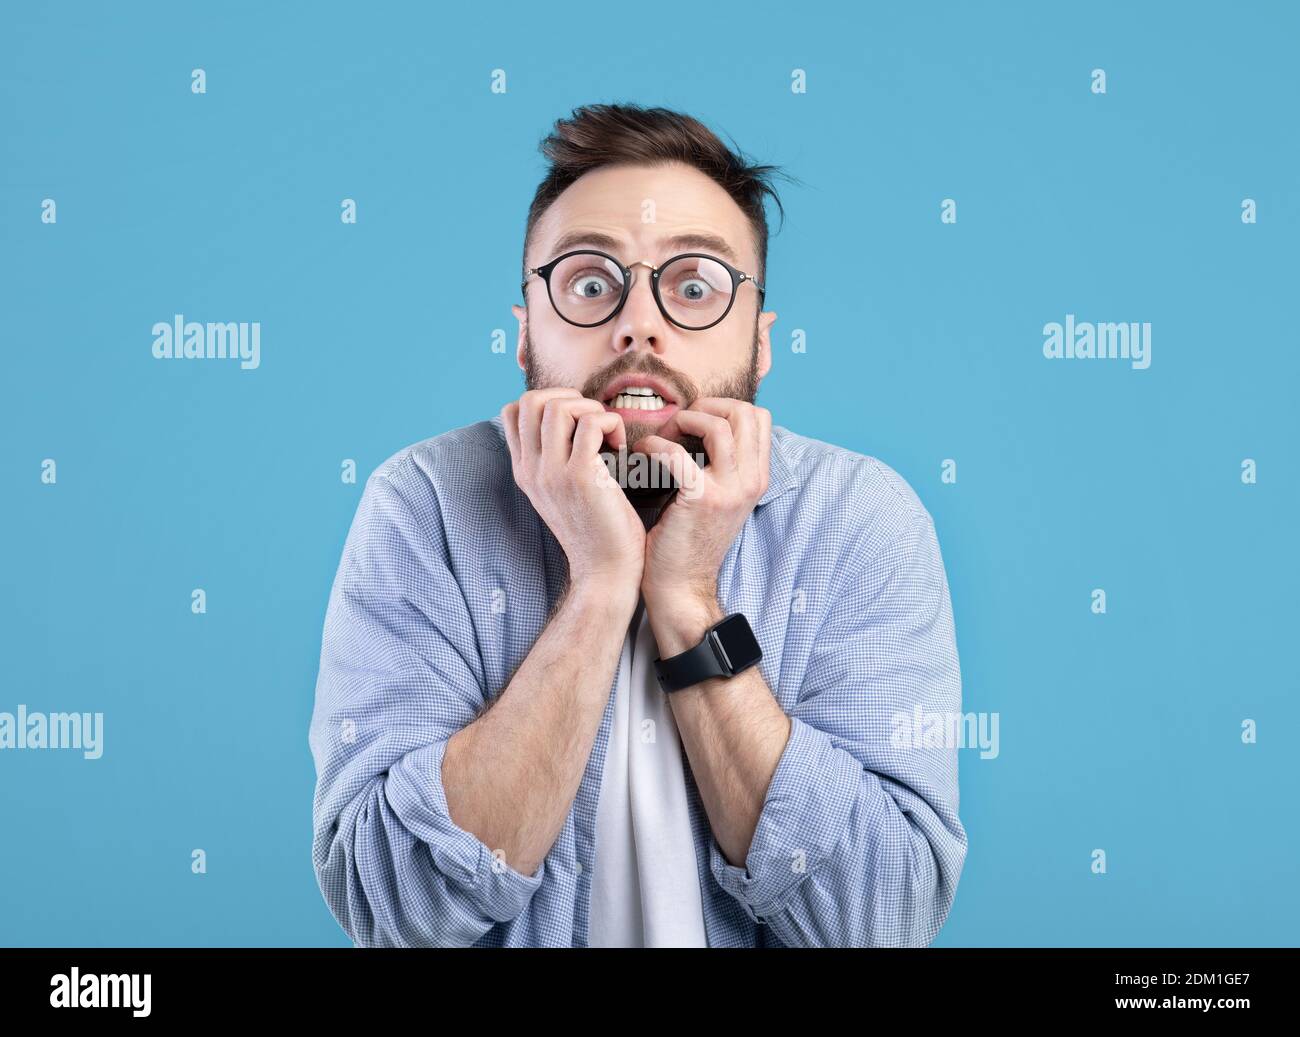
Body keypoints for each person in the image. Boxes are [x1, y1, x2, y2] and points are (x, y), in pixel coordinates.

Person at [308, 103, 966, 947]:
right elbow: (395, 905)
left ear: (761, 343)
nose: (639, 324)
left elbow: (881, 918)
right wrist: (599, 586)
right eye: (590, 283)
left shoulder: (861, 519)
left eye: (694, 285)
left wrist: (687, 598)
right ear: (523, 335)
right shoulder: (427, 505)